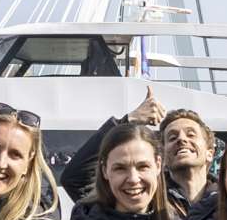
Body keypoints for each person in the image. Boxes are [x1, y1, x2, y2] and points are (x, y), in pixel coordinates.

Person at [60, 86, 215, 211]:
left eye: (191, 134)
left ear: (210, 152)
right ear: (162, 158)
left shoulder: (225, 198)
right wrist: (129, 120)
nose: (181, 139)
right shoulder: (141, 197)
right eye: (172, 137)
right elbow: (76, 179)